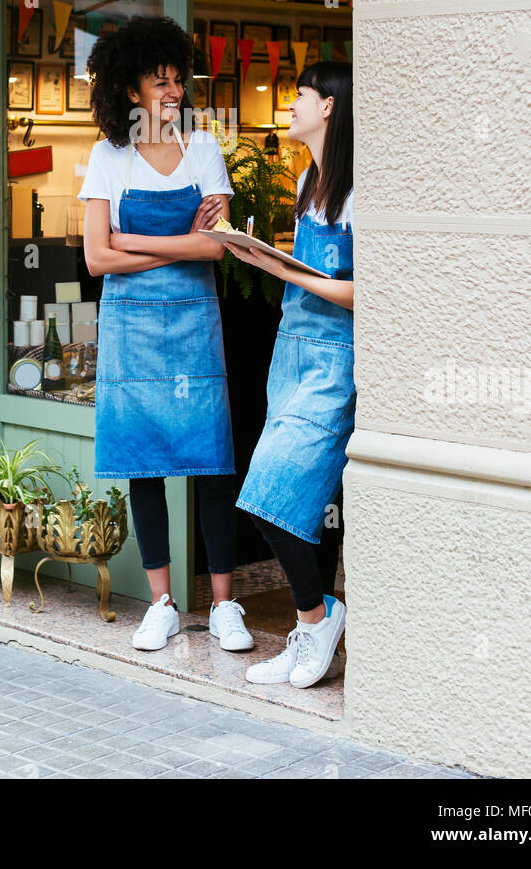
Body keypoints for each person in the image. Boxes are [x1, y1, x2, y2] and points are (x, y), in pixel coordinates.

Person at [78, 16, 253, 655]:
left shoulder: (204, 148)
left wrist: (137, 241)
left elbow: (222, 247)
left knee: (212, 466)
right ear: (131, 90)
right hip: (130, 328)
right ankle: (163, 605)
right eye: (160, 82)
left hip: (193, 324)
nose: (173, 92)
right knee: (145, 467)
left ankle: (225, 605)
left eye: (178, 80)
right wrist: (184, 246)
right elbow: (97, 260)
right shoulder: (108, 156)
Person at [230, 61, 354, 689]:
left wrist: (286, 273)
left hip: (334, 358)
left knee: (268, 496)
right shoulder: (311, 177)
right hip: (290, 351)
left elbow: (366, 292)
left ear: (328, 106)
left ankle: (319, 615)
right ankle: (309, 636)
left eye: (300, 95)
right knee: (306, 506)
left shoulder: (361, 188)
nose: (291, 105)